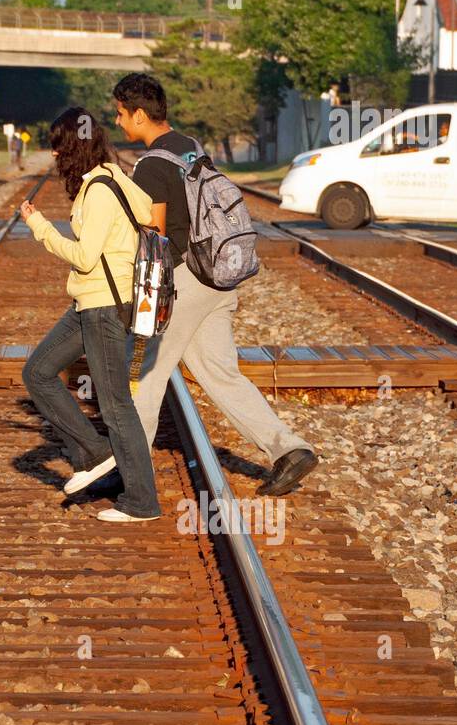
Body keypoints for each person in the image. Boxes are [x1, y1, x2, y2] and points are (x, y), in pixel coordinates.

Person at [113, 72, 318, 497]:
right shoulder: (191, 147)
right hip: (218, 277)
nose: (117, 122)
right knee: (222, 374)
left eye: (119, 113)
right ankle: (289, 450)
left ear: (137, 114)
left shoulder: (151, 164)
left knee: (147, 376)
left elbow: (155, 233)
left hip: (183, 282)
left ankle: (131, 479)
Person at [20, 107, 162, 523]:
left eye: (57, 146)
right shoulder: (112, 180)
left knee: (116, 404)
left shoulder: (100, 190)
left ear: (74, 146)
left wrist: (40, 227)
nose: (53, 155)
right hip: (90, 303)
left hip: (103, 306)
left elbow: (85, 257)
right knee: (38, 372)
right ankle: (97, 453)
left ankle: (141, 502)